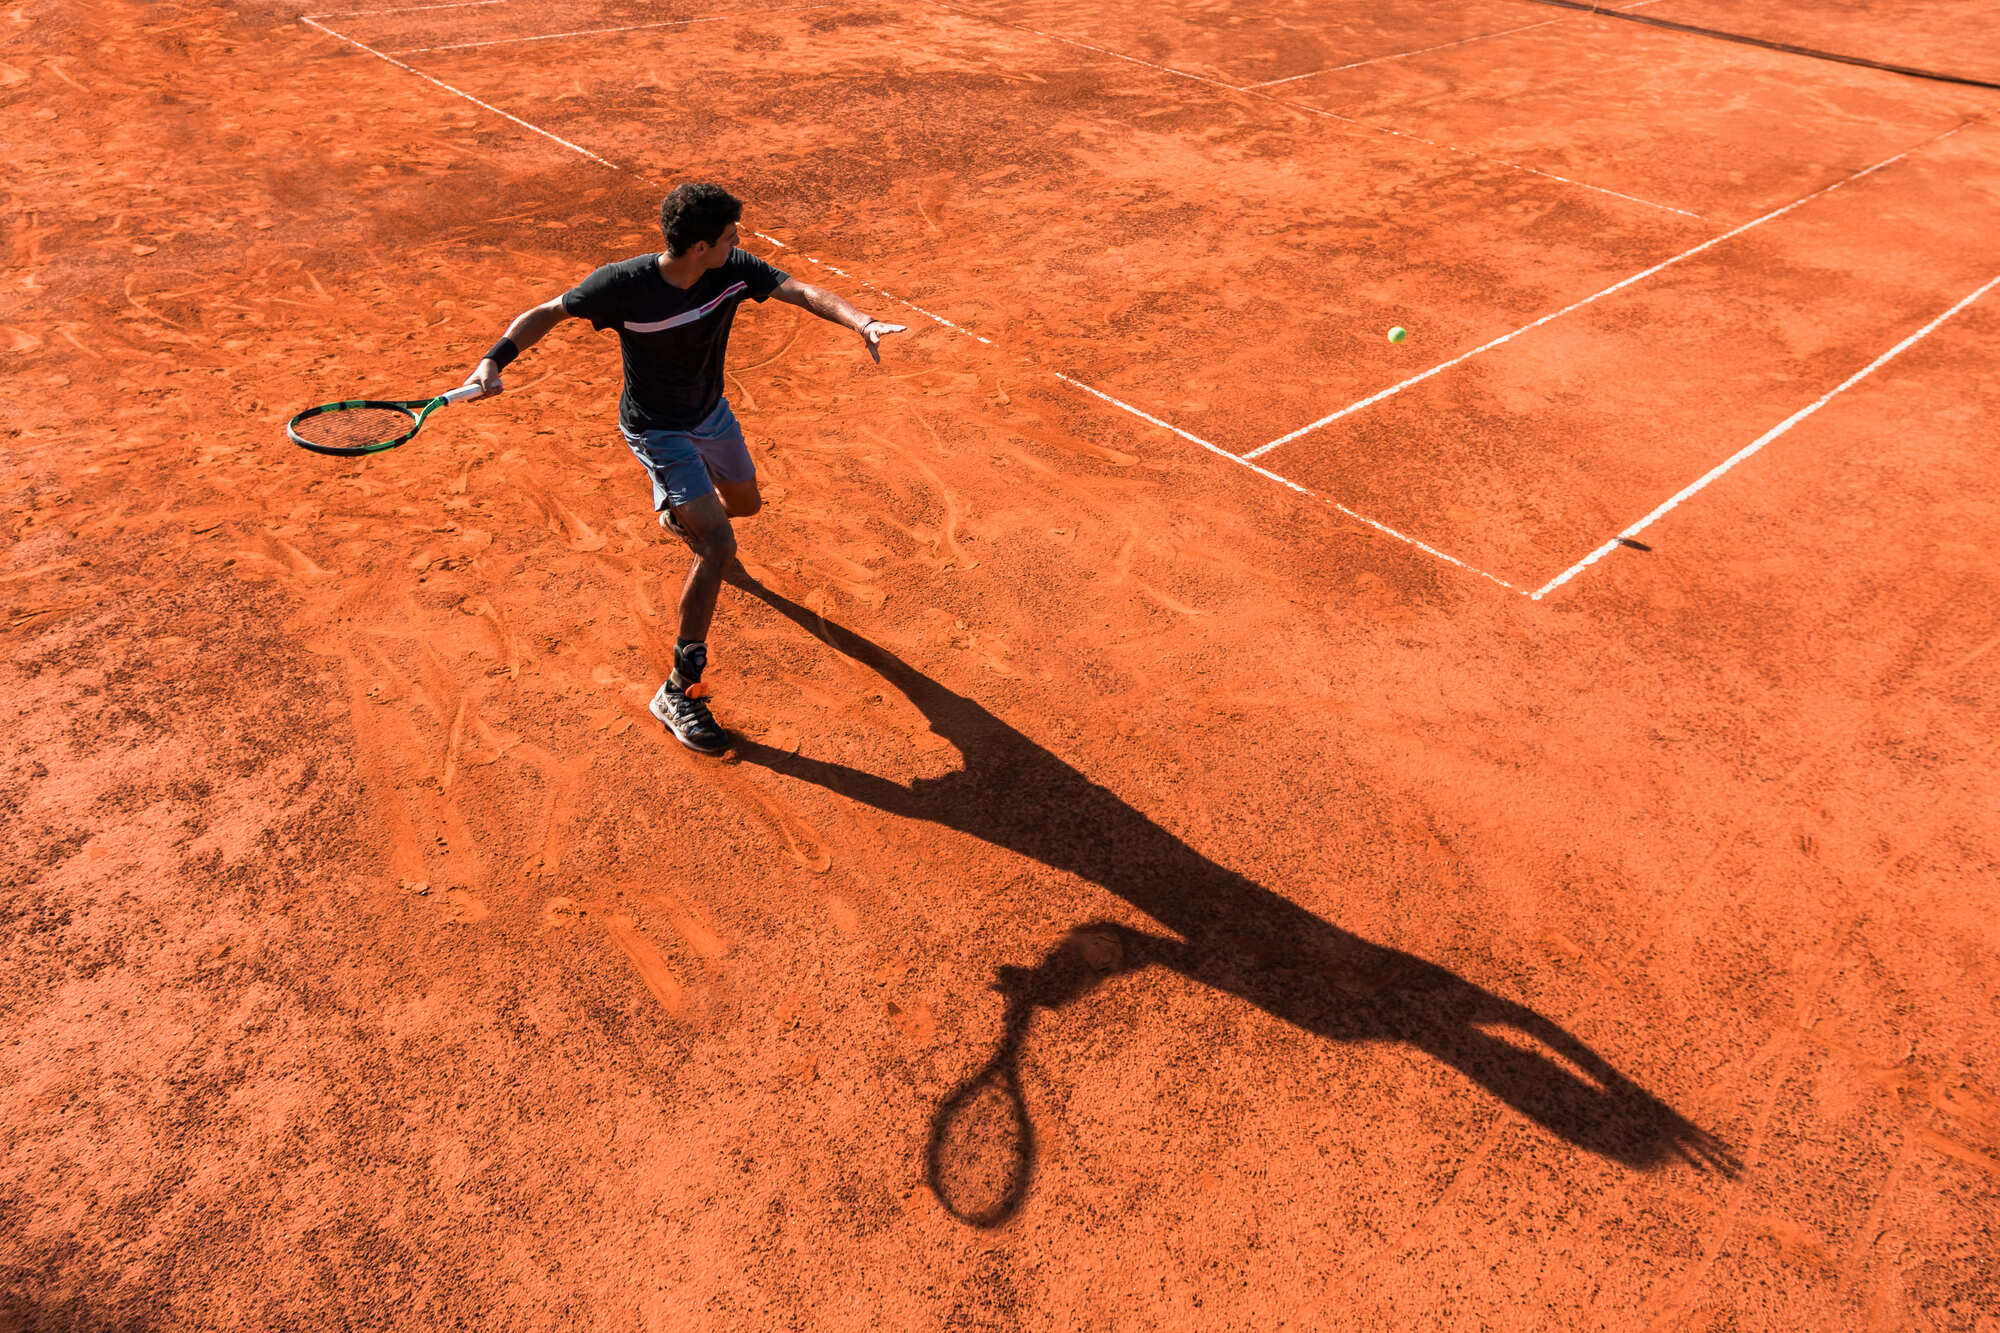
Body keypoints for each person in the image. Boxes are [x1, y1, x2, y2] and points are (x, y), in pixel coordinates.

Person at [464, 183, 906, 752]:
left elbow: (803, 292)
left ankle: (683, 514)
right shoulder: (622, 285)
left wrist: (862, 321)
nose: (738, 242)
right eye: (728, 236)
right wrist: (491, 362)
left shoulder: (732, 269)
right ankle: (678, 689)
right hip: (656, 428)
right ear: (699, 246)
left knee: (745, 506)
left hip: (711, 413)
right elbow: (547, 313)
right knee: (719, 548)